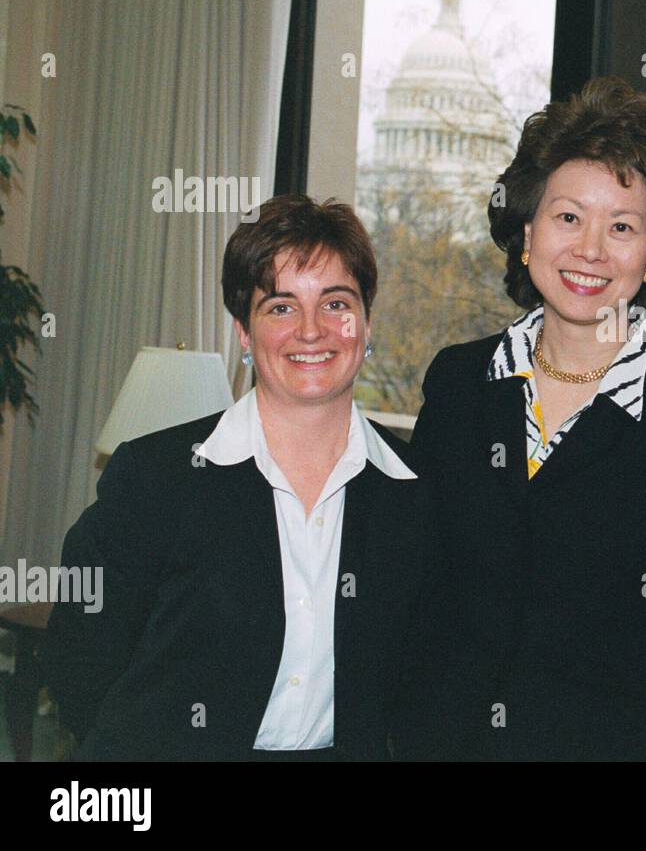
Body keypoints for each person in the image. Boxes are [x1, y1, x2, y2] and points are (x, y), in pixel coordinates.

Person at [411, 76, 646, 760]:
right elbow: (419, 593)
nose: (591, 249)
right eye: (568, 217)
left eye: (621, 226)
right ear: (527, 232)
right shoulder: (458, 386)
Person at [45, 195, 437, 760]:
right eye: (280, 306)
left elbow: (422, 679)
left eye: (335, 303)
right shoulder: (154, 477)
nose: (311, 330)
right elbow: (81, 660)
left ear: (366, 323)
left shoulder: (414, 491)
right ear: (244, 334)